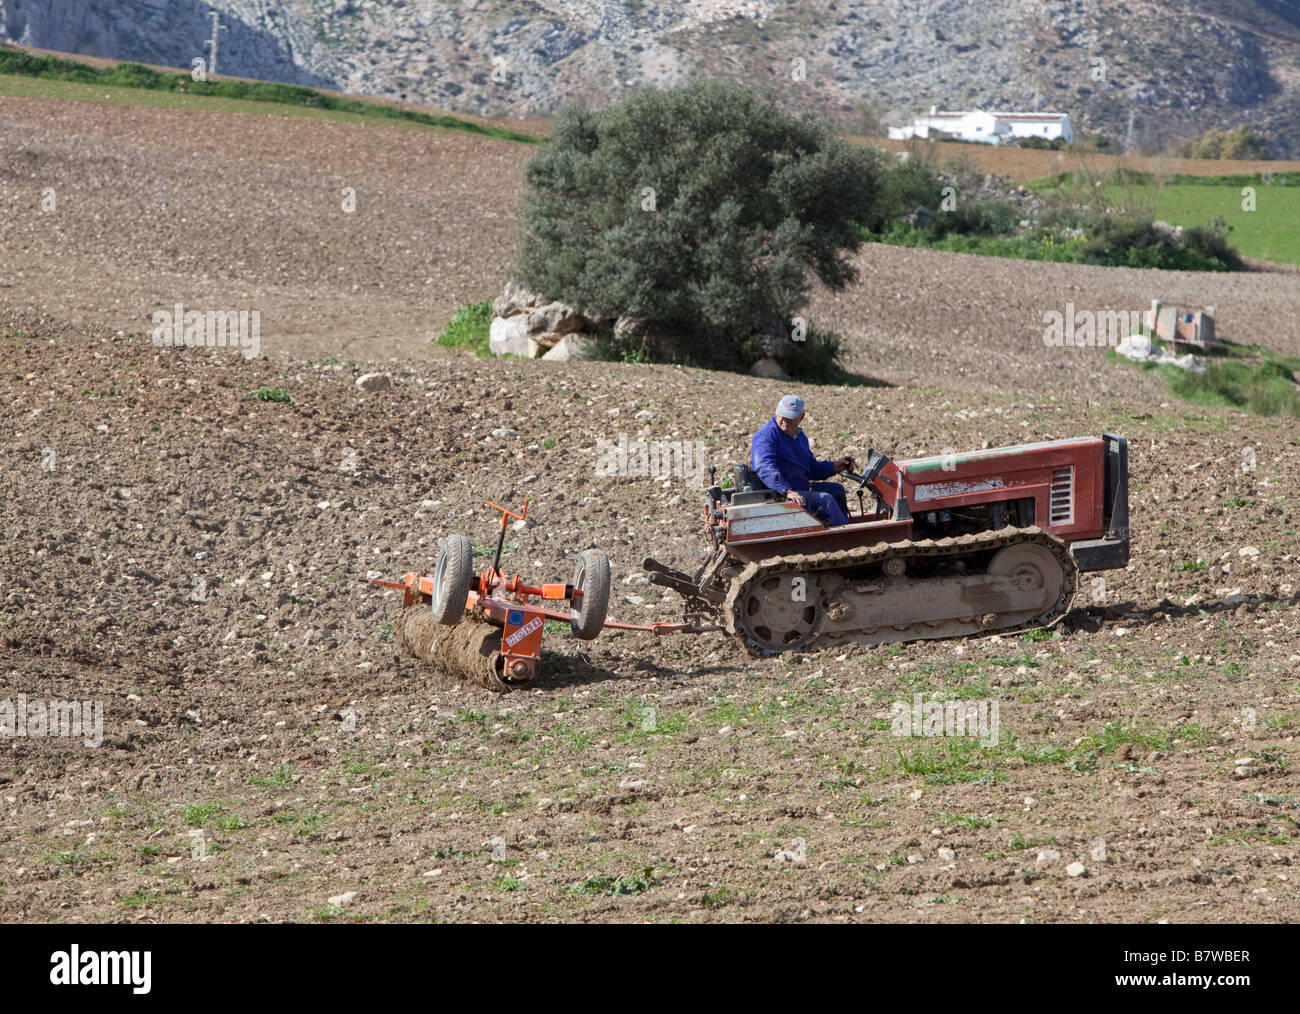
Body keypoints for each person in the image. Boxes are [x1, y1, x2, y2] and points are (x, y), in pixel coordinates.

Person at [750, 394, 852, 526]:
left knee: (836, 490)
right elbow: (764, 466)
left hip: (799, 488)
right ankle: (844, 535)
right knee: (826, 499)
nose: (785, 420)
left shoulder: (799, 436)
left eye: (790, 417)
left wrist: (835, 467)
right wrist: (786, 490)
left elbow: (811, 468)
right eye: (782, 415)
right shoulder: (766, 436)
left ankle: (840, 525)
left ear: (802, 417)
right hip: (779, 492)